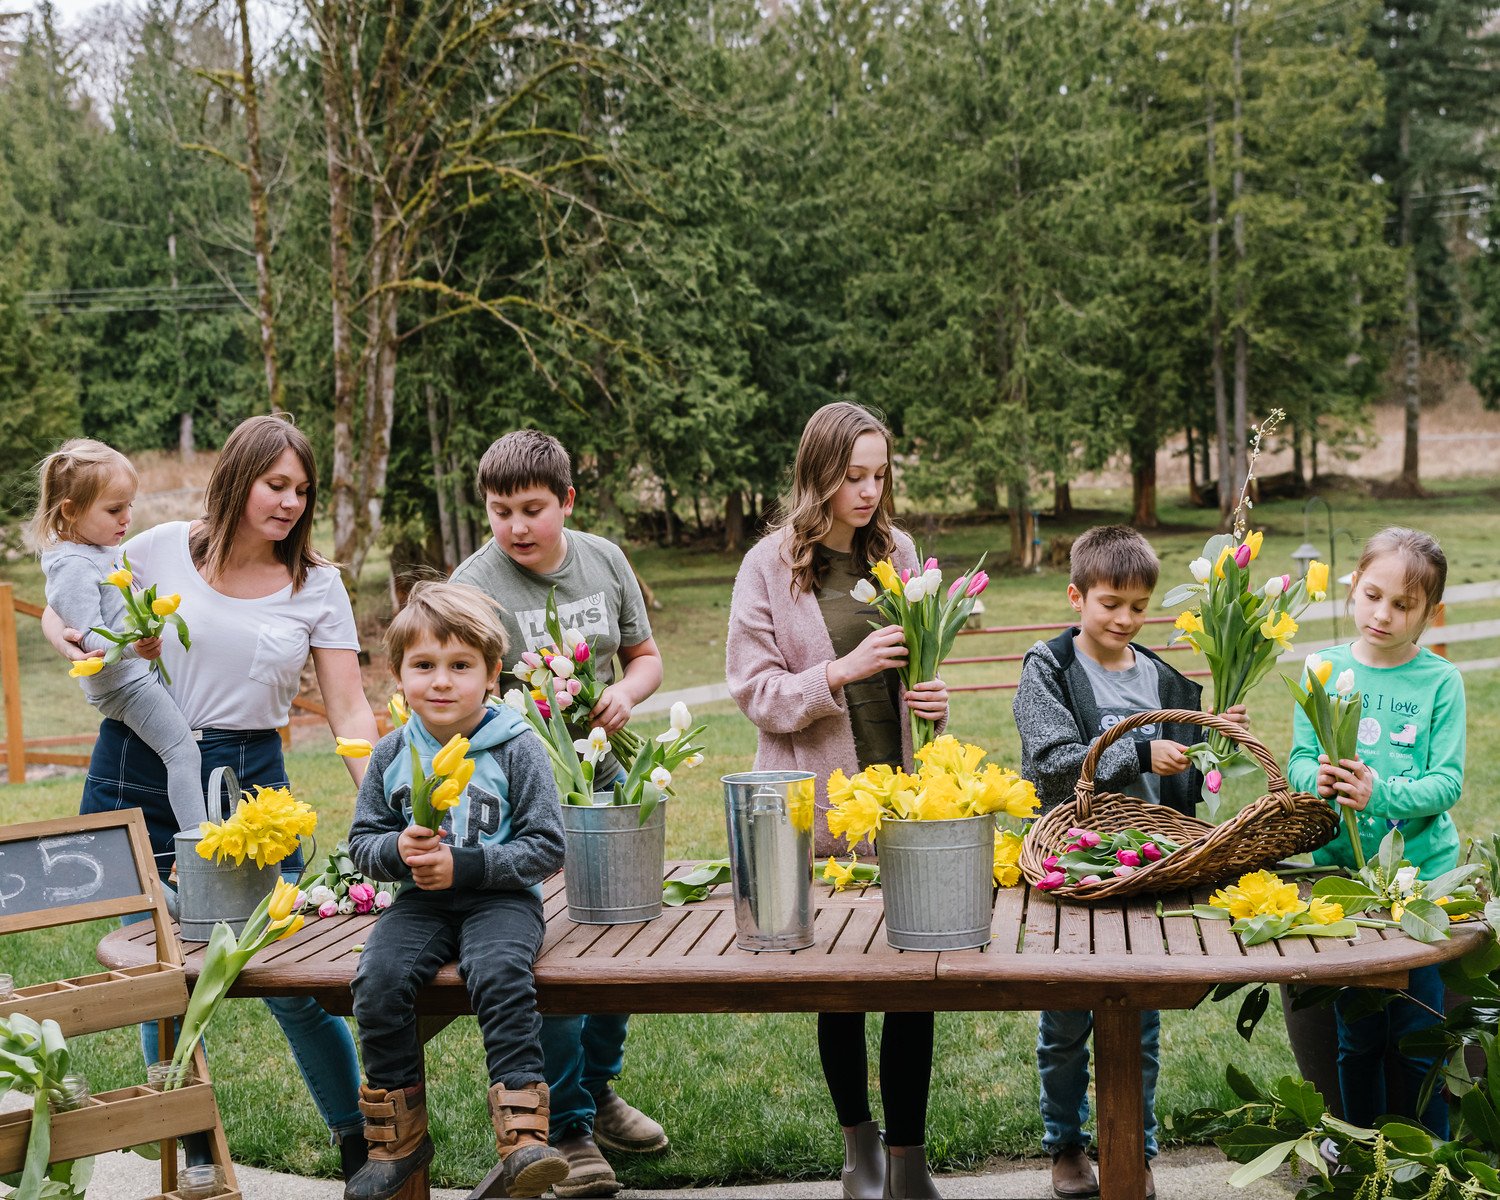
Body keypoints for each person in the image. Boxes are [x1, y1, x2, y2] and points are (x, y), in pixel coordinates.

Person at [44, 414, 379, 1179]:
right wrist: (71, 641)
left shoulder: (317, 584)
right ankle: (189, 1144)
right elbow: (70, 596)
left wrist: (383, 801)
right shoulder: (159, 548)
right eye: (275, 485)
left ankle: (361, 1143)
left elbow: (351, 709)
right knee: (164, 970)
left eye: (302, 490)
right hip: (138, 766)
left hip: (248, 781)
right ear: (235, 480)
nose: (290, 503)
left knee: (285, 977)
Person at [725, 401, 950, 1200]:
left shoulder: (899, 553)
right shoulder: (770, 566)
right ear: (816, 473)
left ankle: (909, 1160)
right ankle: (860, 1151)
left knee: (915, 982)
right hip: (820, 811)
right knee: (845, 988)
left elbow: (917, 666)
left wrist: (933, 698)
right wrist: (839, 673)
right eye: (853, 475)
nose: (868, 491)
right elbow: (754, 692)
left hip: (903, 802)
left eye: (879, 475)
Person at [451, 429, 666, 1199]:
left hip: (604, 779)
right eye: (500, 510)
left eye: (532, 509)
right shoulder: (473, 586)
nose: (515, 527)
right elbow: (453, 694)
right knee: (551, 953)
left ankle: (599, 1089)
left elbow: (645, 657)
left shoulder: (603, 560)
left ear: (567, 501)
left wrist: (626, 695)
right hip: (519, 796)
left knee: (619, 934)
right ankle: (568, 1122)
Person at [1012, 525, 1247, 1200]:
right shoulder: (1051, 668)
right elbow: (1052, 766)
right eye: (1110, 603)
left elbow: (1188, 785)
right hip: (1073, 871)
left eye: (1139, 607)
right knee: (1065, 1023)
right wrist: (1137, 753)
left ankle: (1133, 1151)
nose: (1124, 619)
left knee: (1139, 1024)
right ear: (1077, 597)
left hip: (1146, 872)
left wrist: (1216, 743)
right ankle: (1065, 1145)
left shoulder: (1162, 678)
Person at [345, 581, 568, 1200]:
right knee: (377, 981)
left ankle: (523, 1138)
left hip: (503, 901)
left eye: (460, 666)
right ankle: (398, 1139)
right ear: (398, 674)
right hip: (419, 904)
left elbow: (548, 847)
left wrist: (464, 865)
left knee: (498, 973)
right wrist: (398, 851)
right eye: (424, 665)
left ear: (492, 674)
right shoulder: (391, 752)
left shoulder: (517, 747)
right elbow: (362, 843)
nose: (441, 681)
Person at [1288, 527, 1463, 1137]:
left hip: (1420, 880)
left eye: (1403, 605)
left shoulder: (1440, 681)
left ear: (1430, 613)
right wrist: (1317, 778)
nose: (1382, 615)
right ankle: (1361, 1148)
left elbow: (1447, 783)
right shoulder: (1323, 668)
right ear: (1354, 587)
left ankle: (1430, 1155)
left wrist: (1379, 792)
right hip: (1344, 879)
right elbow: (1299, 759)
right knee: (1357, 1032)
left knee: (1419, 1030)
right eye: (1372, 596)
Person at [33, 439, 201, 836]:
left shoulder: (98, 549)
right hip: (124, 686)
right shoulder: (73, 566)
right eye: (114, 509)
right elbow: (88, 638)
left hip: (134, 676)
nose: (126, 518)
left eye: (129, 506)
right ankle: (198, 844)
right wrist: (133, 646)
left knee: (178, 749)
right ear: (70, 510)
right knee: (181, 752)